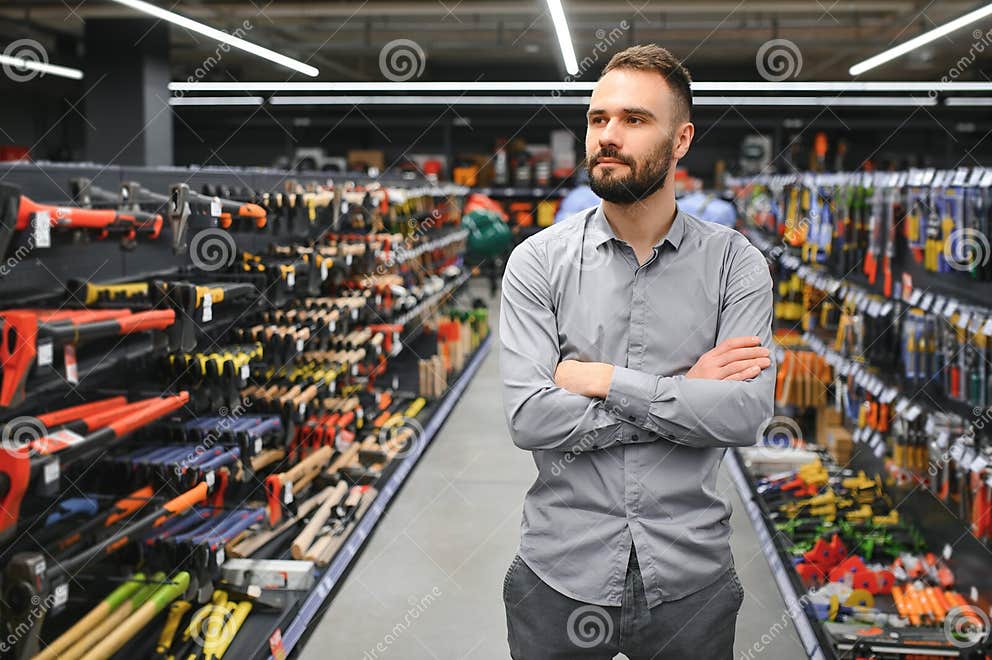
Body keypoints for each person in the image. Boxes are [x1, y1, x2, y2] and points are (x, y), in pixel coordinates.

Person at [499, 44, 776, 659]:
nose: (608, 135)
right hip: (558, 573)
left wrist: (603, 380)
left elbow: (744, 415)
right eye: (598, 118)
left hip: (690, 578)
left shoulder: (736, 265)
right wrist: (685, 391)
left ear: (681, 140)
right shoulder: (537, 262)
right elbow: (529, 419)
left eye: (634, 119)